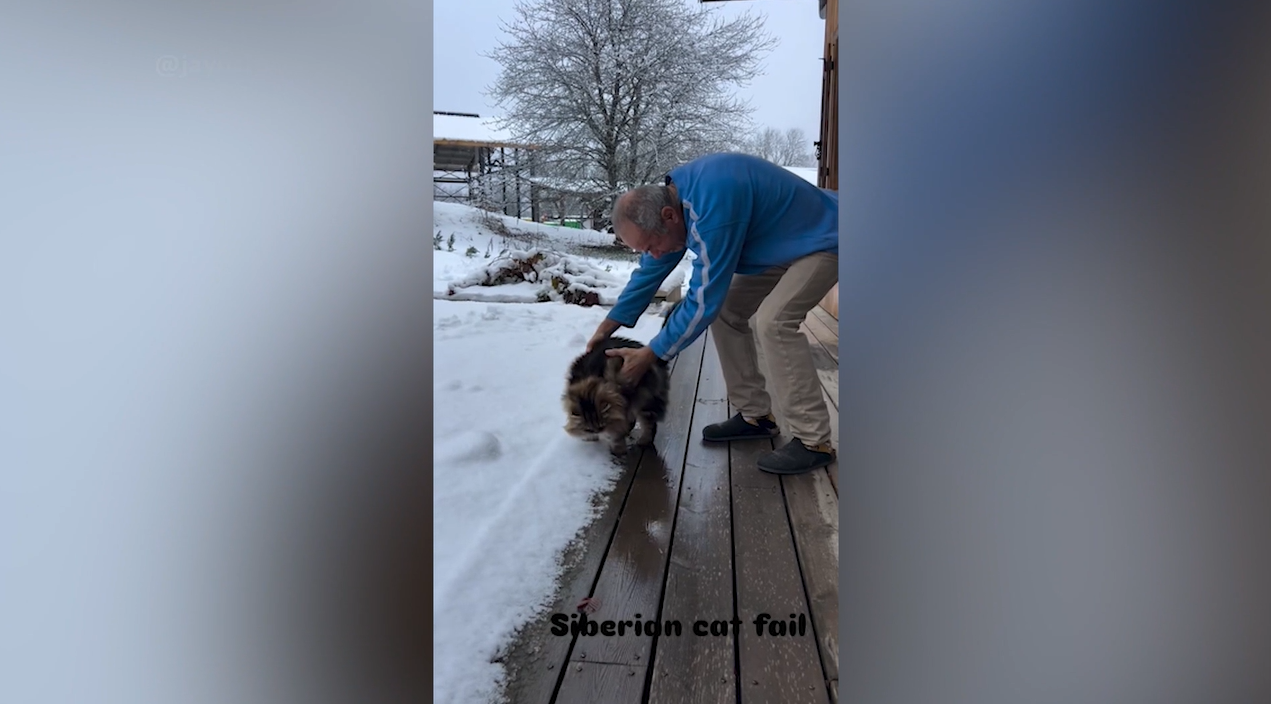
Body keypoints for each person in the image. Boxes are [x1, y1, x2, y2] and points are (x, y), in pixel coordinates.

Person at [585, 152, 839, 474]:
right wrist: (608, 326)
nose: (653, 254)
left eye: (651, 245)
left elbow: (703, 299)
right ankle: (756, 416)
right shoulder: (674, 207)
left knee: (774, 322)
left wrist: (653, 353)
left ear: (668, 216)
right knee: (728, 312)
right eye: (644, 249)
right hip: (781, 246)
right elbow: (651, 270)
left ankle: (813, 441)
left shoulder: (712, 209)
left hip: (825, 238)